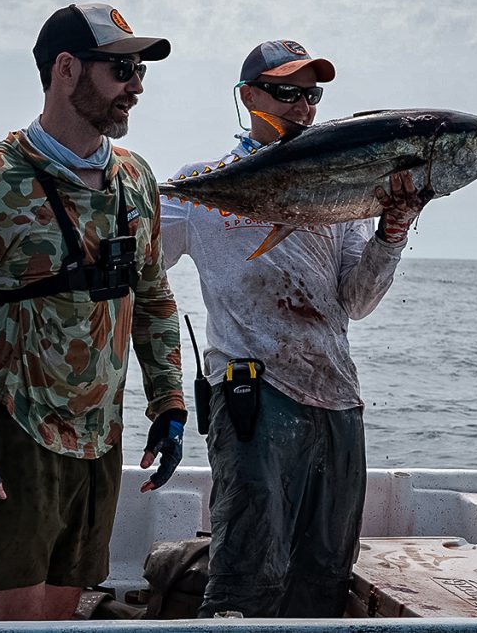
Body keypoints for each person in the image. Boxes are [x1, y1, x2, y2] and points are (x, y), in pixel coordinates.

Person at [0, 3, 187, 621]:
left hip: (101, 437)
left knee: (64, 610)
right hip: (18, 430)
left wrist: (169, 405)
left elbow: (152, 295)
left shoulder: (135, 178)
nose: (137, 86)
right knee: (16, 615)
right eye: (122, 69)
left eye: (141, 70)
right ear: (66, 69)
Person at [160, 39, 428, 617]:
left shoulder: (343, 187)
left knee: (325, 575)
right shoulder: (202, 184)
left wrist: (393, 230)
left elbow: (356, 301)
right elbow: (140, 263)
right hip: (256, 398)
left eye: (312, 95)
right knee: (247, 574)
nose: (303, 107)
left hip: (338, 402)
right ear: (248, 96)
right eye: (286, 93)